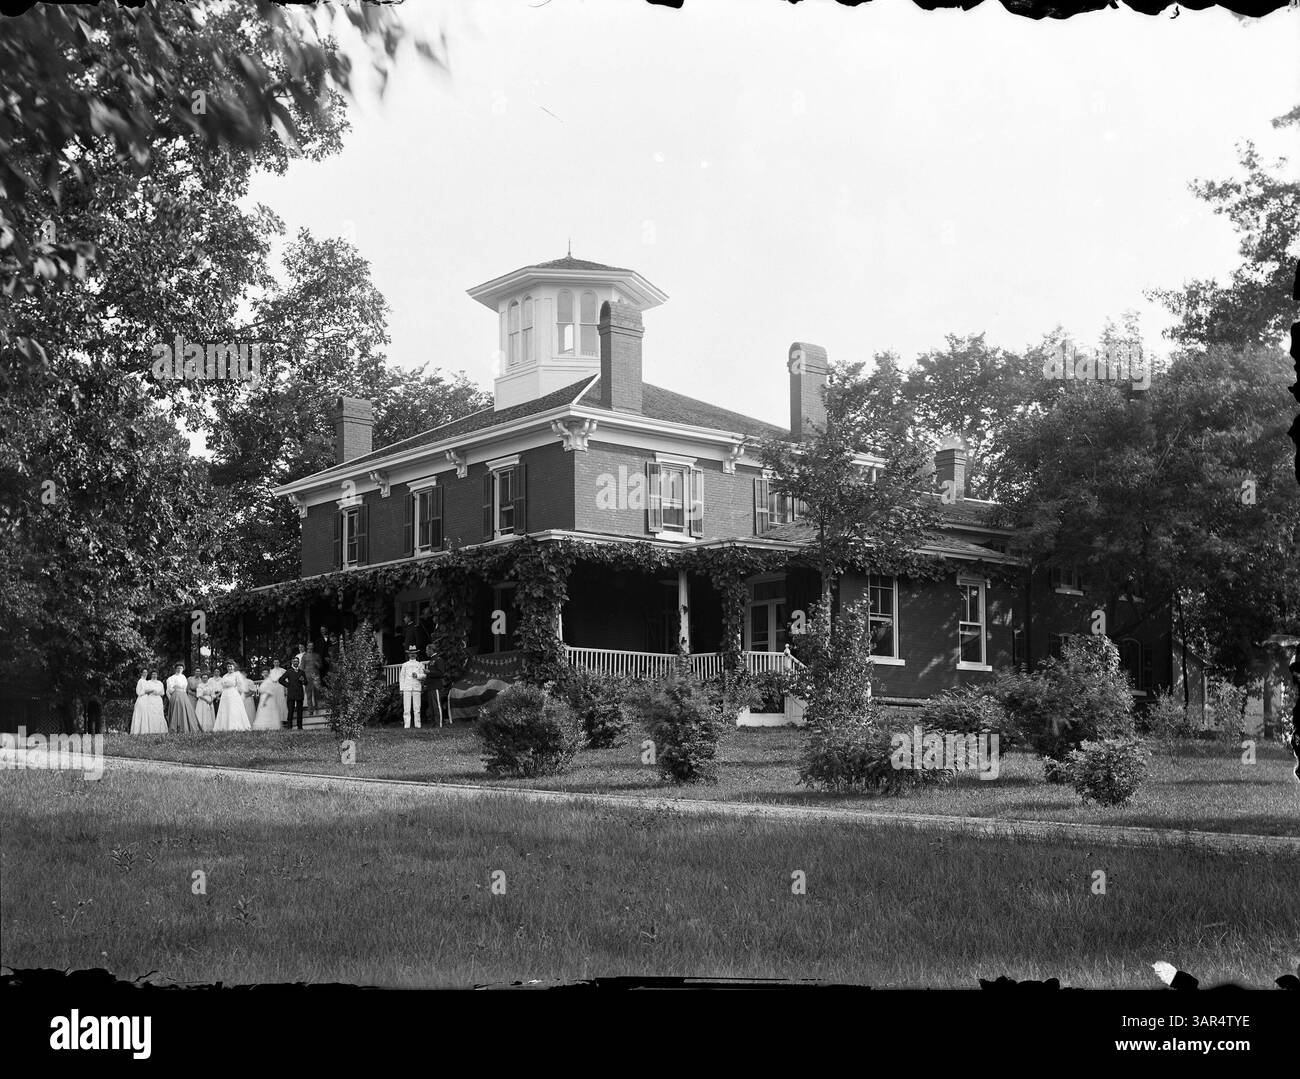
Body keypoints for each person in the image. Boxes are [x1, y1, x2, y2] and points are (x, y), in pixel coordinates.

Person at [213, 661, 252, 732]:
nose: (229, 668)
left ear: (234, 666)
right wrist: (218, 695)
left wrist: (239, 695)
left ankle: (234, 726)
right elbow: (222, 687)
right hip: (225, 694)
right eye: (228, 666)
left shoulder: (237, 674)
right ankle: (224, 726)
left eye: (231, 666)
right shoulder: (224, 676)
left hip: (233, 693)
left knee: (233, 709)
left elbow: (240, 686)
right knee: (225, 709)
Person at [165, 663, 202, 733]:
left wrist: (178, 688)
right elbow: (170, 689)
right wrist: (175, 692)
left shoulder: (184, 677)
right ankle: (177, 728)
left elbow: (185, 688)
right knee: (177, 711)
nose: (179, 669)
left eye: (181, 668)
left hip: (184, 695)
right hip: (176, 695)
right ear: (175, 669)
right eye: (178, 668)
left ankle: (186, 727)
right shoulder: (171, 678)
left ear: (183, 669)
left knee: (186, 711)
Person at [130, 668, 167, 735]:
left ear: (157, 675)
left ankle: (159, 730)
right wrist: (151, 691)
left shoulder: (160, 683)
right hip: (150, 700)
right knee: (150, 715)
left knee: (159, 714)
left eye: (155, 674)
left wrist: (156, 692)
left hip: (158, 700)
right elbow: (145, 691)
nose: (154, 675)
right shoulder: (148, 682)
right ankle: (151, 730)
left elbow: (162, 693)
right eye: (152, 674)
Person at [398, 645, 426, 729]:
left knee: (417, 707)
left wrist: (417, 675)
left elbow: (424, 675)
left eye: (414, 653)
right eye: (411, 653)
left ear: (416, 654)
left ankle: (418, 724)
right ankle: (407, 725)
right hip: (407, 687)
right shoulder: (405, 665)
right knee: (406, 707)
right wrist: (401, 689)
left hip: (416, 687)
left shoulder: (420, 664)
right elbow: (401, 677)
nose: (412, 655)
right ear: (408, 655)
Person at [252, 665, 285, 730]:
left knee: (267, 712)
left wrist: (264, 701)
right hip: (263, 698)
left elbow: (269, 692)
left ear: (268, 673)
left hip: (268, 699)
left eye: (266, 672)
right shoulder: (264, 681)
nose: (265, 674)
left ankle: (269, 726)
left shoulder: (269, 681)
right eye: (264, 672)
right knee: (262, 713)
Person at [279, 656, 307, 731]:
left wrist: (303, 680)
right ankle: (289, 727)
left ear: (299, 662)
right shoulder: (289, 671)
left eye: (297, 661)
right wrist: (288, 685)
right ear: (292, 662)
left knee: (300, 711)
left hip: (299, 693)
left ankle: (300, 727)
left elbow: (306, 682)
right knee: (290, 711)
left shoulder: (302, 672)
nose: (296, 662)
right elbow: (281, 680)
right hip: (291, 693)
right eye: (294, 661)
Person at [194, 667, 218, 732]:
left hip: (210, 701)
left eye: (206, 678)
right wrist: (207, 700)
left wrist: (211, 700)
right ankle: (201, 728)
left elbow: (213, 694)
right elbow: (199, 695)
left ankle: (209, 728)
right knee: (202, 714)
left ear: (208, 678)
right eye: (203, 678)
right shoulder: (199, 685)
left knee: (209, 714)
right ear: (201, 678)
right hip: (202, 701)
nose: (205, 679)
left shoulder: (210, 685)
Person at [300, 641, 321, 709]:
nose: (311, 647)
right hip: (307, 676)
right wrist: (302, 677)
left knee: (317, 692)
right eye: (309, 645)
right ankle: (310, 709)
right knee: (308, 693)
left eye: (312, 645)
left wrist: (317, 664)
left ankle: (317, 706)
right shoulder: (304, 656)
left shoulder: (317, 655)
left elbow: (320, 666)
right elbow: (302, 668)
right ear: (307, 646)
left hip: (316, 675)